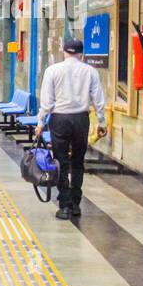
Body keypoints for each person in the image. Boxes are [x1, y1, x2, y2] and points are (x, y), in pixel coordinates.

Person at [38, 37, 107, 220]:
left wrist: (40, 122)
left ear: (64, 51)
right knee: (78, 161)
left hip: (60, 119)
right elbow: (98, 99)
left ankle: (65, 206)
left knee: (61, 161)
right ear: (81, 54)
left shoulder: (52, 70)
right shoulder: (90, 71)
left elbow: (47, 101)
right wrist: (102, 122)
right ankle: (76, 203)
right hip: (81, 119)